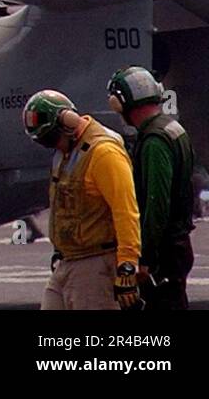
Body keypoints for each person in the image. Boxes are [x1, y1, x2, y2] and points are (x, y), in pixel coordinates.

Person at [23, 90, 141, 311]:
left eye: (51, 138)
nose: (51, 145)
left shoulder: (103, 154)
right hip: (66, 262)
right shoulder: (65, 154)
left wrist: (127, 264)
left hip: (95, 264)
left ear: (68, 122)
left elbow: (125, 211)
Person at [107, 66, 196, 310]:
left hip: (164, 251)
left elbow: (157, 202)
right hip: (178, 243)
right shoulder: (173, 128)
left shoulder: (154, 141)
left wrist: (145, 257)